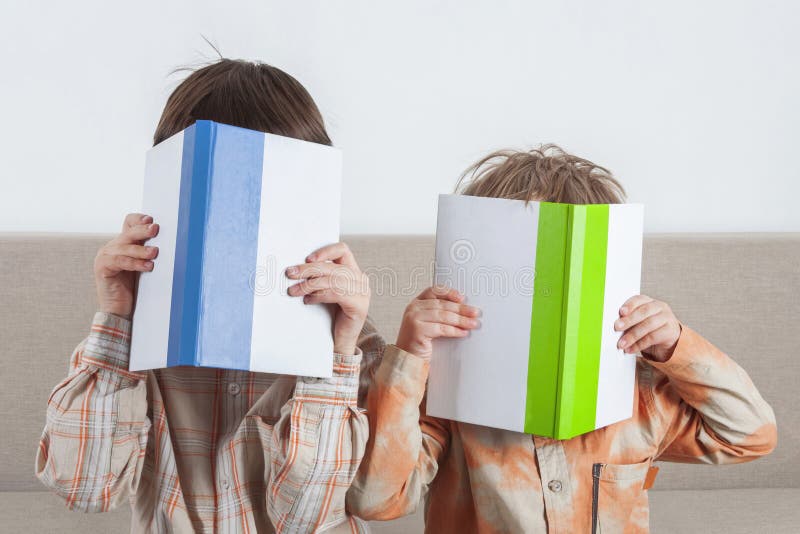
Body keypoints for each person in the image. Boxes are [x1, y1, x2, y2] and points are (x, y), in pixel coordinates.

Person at [346, 145, 778, 533]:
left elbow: (750, 436)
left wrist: (676, 346)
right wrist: (410, 357)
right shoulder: (448, 395)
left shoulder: (640, 397)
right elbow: (378, 500)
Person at [35, 59, 382, 533]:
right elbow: (85, 487)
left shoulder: (350, 339)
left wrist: (336, 356)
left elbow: (310, 517)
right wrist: (117, 320)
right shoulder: (142, 330)